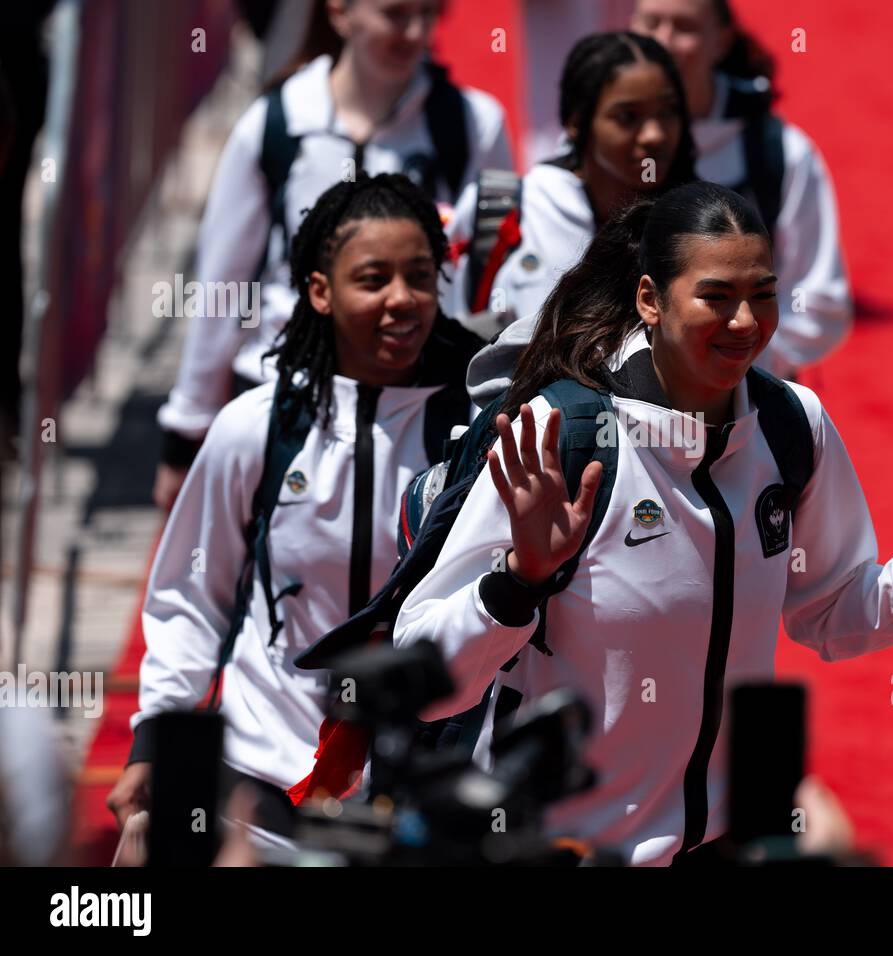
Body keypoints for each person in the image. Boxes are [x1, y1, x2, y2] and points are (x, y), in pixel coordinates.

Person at [389, 181, 893, 865]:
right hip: (558, 848)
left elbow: (832, 611)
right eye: (716, 297)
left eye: (764, 294)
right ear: (650, 300)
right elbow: (426, 676)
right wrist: (518, 582)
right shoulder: (560, 436)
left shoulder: (789, 426)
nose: (745, 321)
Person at [108, 173, 480, 841]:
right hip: (257, 784)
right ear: (319, 291)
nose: (403, 300)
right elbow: (192, 598)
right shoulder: (254, 427)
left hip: (421, 797)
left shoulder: (479, 430)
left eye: (421, 276)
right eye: (373, 279)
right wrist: (155, 738)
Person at [153, 0, 513, 509]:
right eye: (395, 13)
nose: (415, 31)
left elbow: (498, 277)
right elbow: (223, 286)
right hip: (287, 396)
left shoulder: (473, 124)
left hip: (418, 406)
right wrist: (187, 427)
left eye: (429, 13)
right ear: (340, 12)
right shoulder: (275, 124)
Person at [441, 31, 696, 405]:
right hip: (514, 451)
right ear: (577, 122)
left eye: (668, 112)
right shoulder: (505, 209)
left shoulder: (701, 223)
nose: (655, 134)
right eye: (628, 117)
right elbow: (451, 340)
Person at [630, 0, 851, 381]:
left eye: (684, 27)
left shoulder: (780, 152)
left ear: (722, 39)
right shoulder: (600, 146)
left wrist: (735, 366)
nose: (663, 41)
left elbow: (820, 303)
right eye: (651, 23)